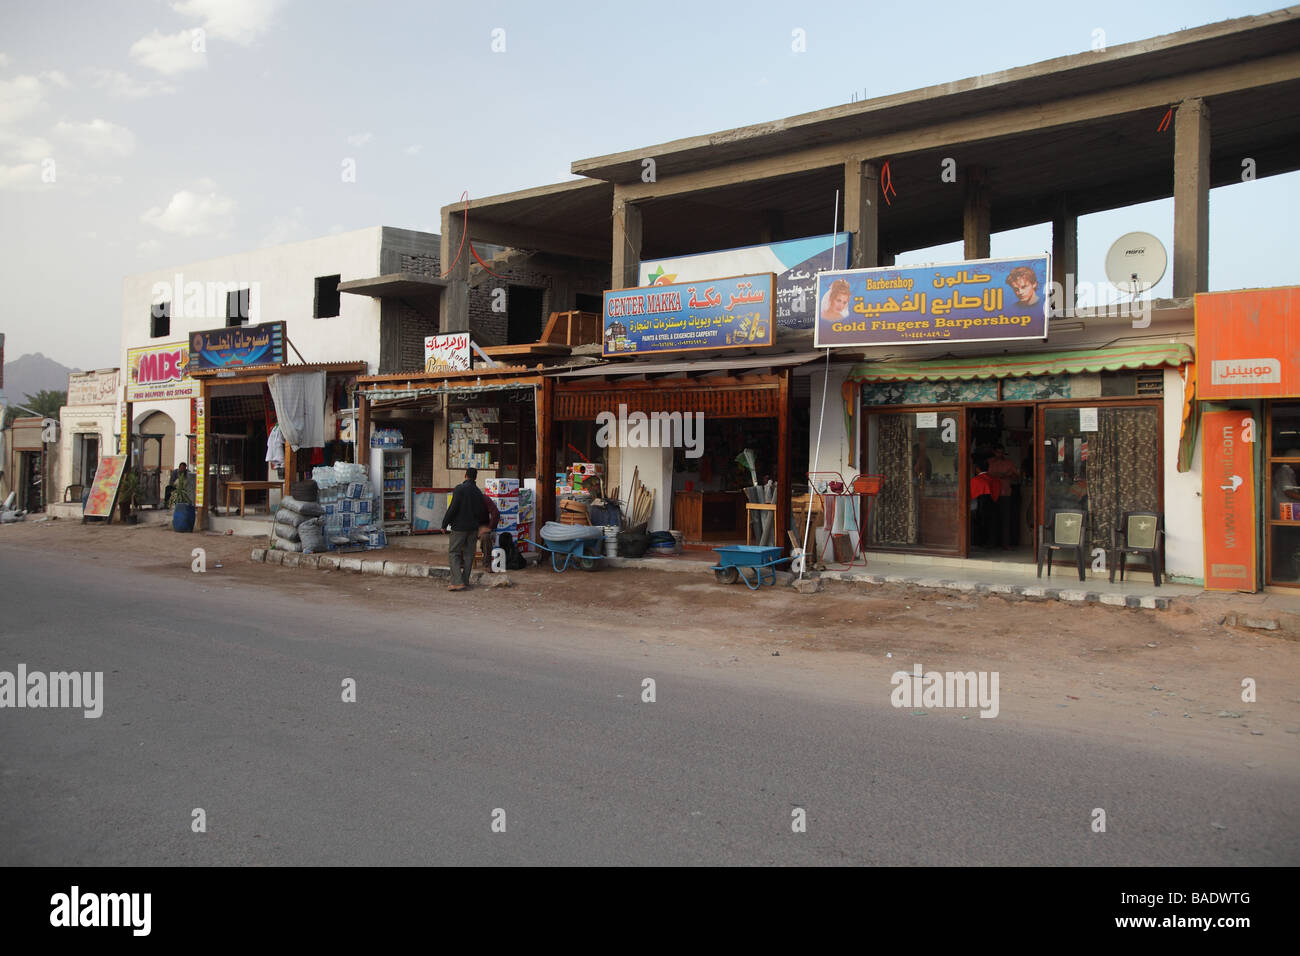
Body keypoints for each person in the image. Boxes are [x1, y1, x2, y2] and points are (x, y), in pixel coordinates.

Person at [442, 467, 487, 591]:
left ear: (465, 475)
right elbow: (481, 511)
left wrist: (444, 524)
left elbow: (453, 507)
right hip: (473, 528)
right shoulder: (478, 492)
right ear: (476, 477)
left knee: (454, 553)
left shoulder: (459, 489)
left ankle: (457, 582)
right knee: (469, 555)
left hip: (459, 527)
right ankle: (465, 581)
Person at [986, 445, 1019, 549]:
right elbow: (984, 475)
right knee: (992, 519)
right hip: (992, 493)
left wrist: (1007, 476)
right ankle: (991, 543)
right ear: (994, 452)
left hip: (1005, 493)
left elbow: (1016, 477)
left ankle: (1006, 544)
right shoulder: (989, 462)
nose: (1000, 454)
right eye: (998, 452)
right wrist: (997, 475)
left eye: (1002, 452)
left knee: (1006, 520)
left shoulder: (1008, 463)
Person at [479, 492, 501, 570]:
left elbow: (496, 513)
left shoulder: (484, 498)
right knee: (459, 536)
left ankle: (487, 564)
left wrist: (489, 527)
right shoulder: (464, 498)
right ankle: (460, 563)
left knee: (486, 537)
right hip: (468, 526)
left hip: (482, 526)